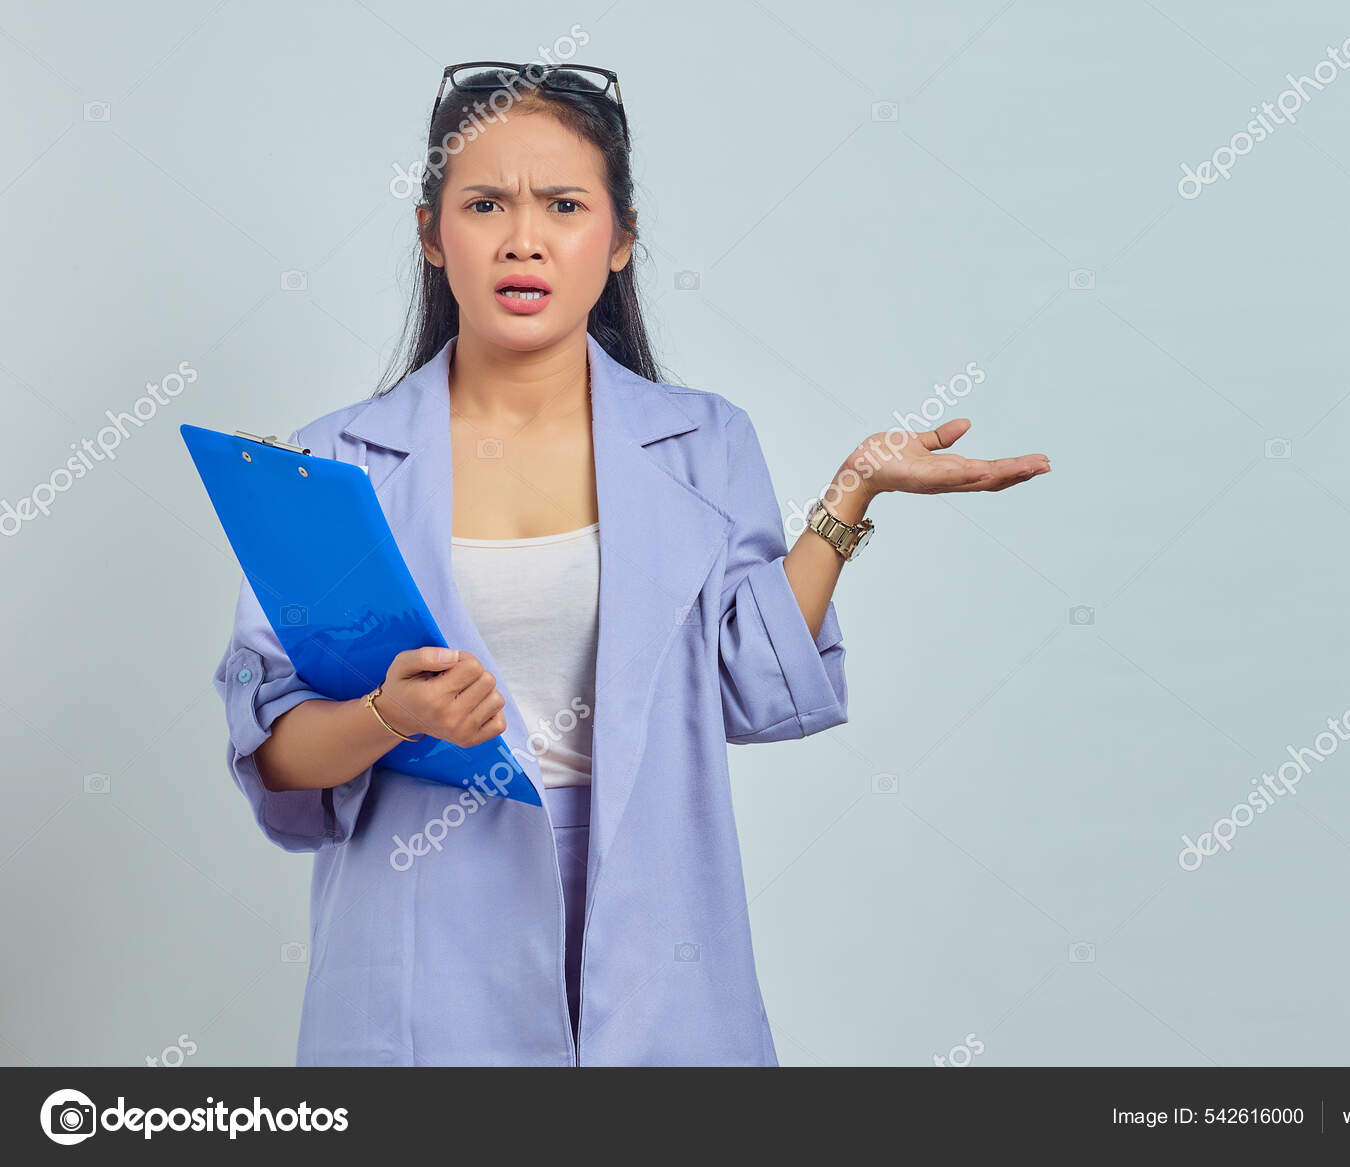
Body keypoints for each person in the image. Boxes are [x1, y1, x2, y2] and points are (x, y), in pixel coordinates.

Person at [211, 62, 1050, 1066]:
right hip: (423, 947)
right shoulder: (331, 466)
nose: (524, 237)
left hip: (659, 941)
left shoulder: (702, 445)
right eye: (485, 204)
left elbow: (756, 686)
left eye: (563, 204)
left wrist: (848, 497)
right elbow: (274, 752)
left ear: (618, 241)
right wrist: (395, 716)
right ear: (434, 235)